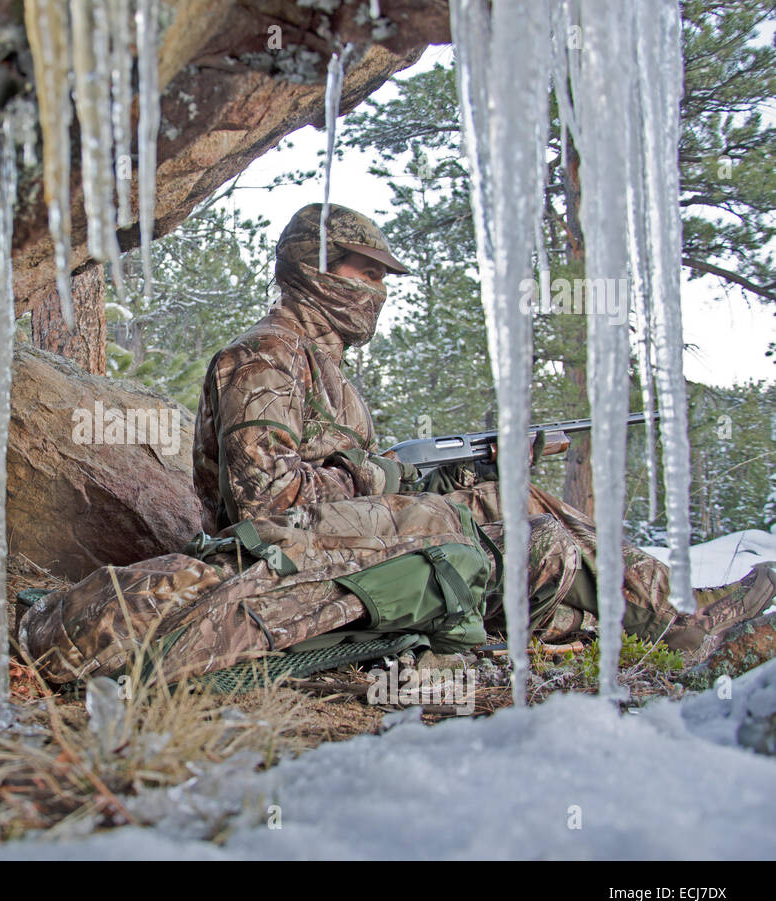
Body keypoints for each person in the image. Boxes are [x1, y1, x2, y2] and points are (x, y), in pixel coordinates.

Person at [192, 203, 776, 656]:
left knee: (504, 496)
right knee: (513, 533)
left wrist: (455, 471)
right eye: (366, 272)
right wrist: (385, 475)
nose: (379, 289)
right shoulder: (267, 356)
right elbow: (263, 501)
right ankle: (674, 619)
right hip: (282, 553)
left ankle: (669, 609)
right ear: (314, 264)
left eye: (382, 276)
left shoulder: (324, 365)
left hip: (329, 535)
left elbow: (350, 479)